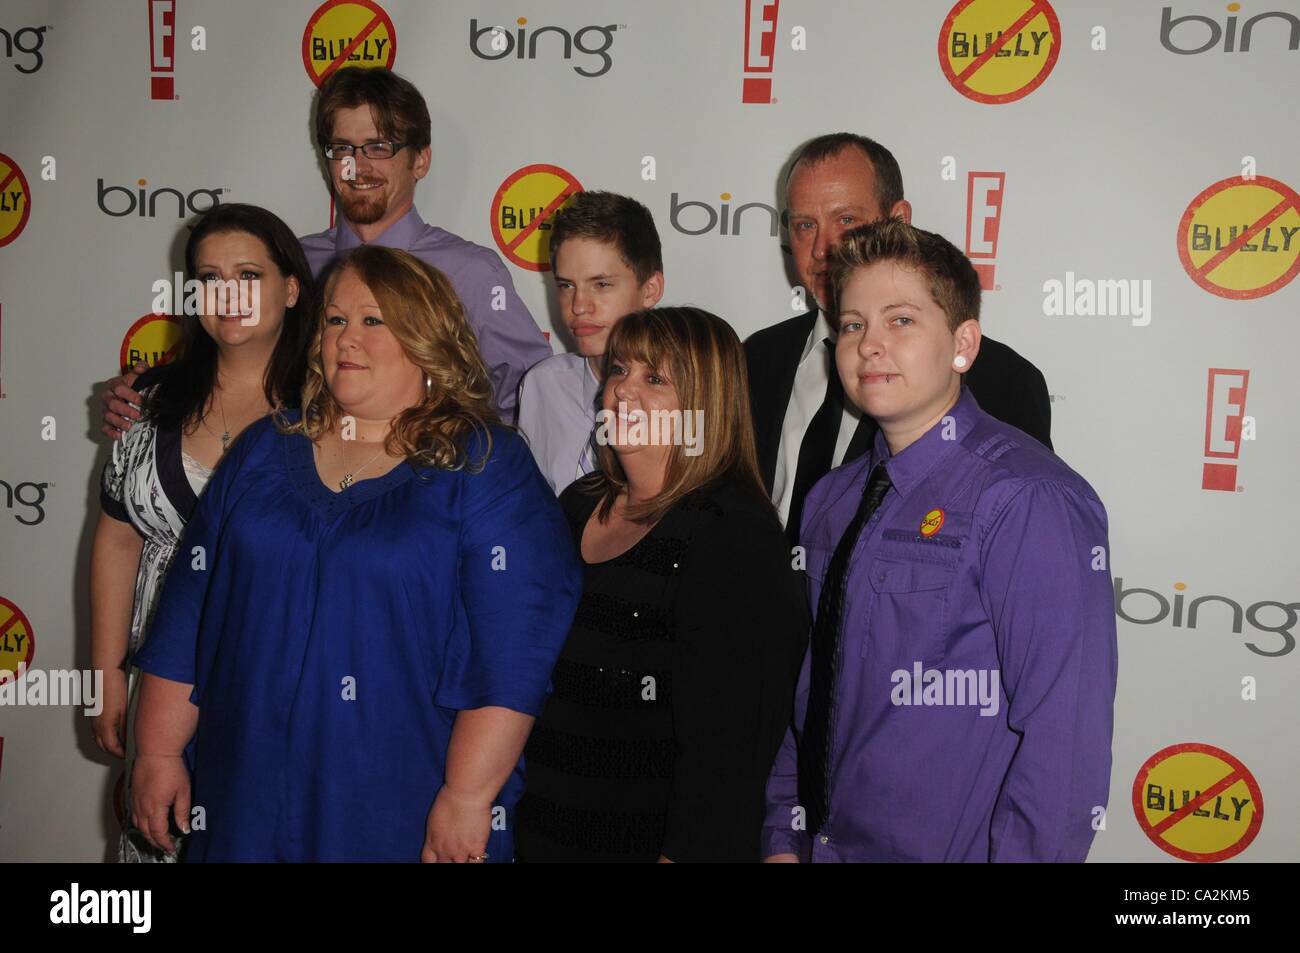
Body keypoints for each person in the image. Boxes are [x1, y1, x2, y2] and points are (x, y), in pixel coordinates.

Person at [129, 246, 580, 862]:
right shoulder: (264, 449)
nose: (347, 338)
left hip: (403, 801)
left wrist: (469, 796)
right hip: (244, 794)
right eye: (335, 320)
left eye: (373, 320)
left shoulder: (483, 465)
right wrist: (156, 753)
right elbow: (189, 614)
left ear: (427, 337)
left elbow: (513, 657)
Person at [763, 220, 1116, 862]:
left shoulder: (1028, 499)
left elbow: (1063, 748)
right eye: (851, 324)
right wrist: (782, 834)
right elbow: (813, 685)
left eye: (900, 321)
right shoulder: (832, 500)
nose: (869, 345)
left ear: (963, 344)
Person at [101, 66, 550, 433]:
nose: (359, 166)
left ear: (420, 160)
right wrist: (153, 394)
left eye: (379, 146)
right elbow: (226, 361)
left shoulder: (470, 272)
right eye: (342, 149)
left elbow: (537, 399)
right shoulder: (287, 265)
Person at [514, 307, 808, 862]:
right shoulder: (576, 505)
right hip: (543, 836)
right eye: (620, 369)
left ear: (706, 404)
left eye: (655, 378)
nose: (623, 390)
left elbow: (731, 752)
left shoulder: (734, 535)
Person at [90, 203, 315, 862]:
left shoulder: (331, 411)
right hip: (156, 689)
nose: (229, 294)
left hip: (277, 693)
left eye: (249, 273)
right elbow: (118, 538)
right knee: (157, 841)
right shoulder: (146, 403)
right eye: (210, 277)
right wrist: (106, 676)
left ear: (291, 287)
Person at [744, 133, 1053, 542]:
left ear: (899, 220)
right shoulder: (757, 359)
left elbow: (1019, 540)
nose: (823, 249)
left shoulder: (1001, 380)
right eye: (805, 225)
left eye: (847, 221)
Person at [516, 191, 665, 493]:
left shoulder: (690, 393)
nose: (579, 306)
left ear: (650, 290)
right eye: (566, 285)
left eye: (601, 284)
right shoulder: (541, 385)